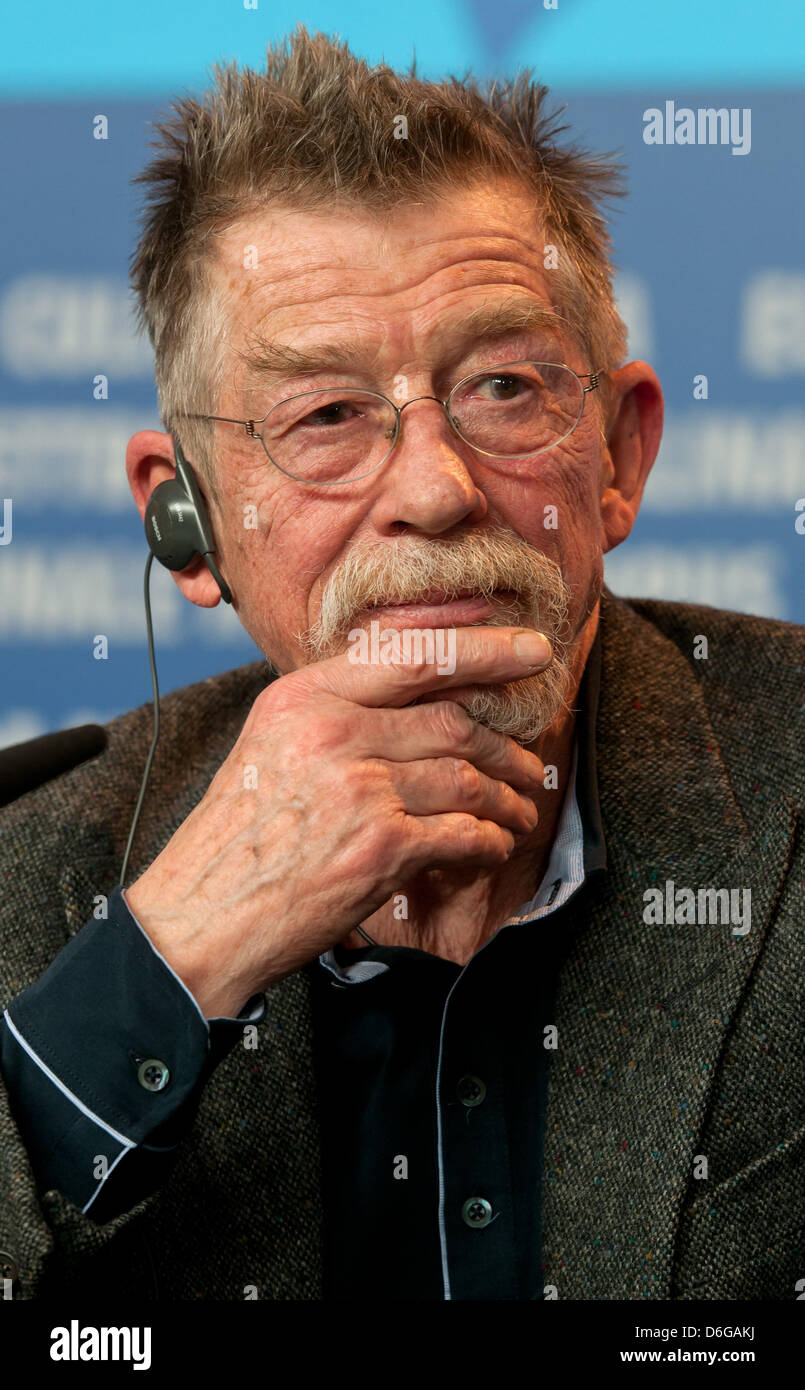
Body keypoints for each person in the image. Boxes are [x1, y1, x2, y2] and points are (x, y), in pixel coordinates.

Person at [1, 25, 802, 1302]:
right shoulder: (29, 877)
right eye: (323, 415)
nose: (432, 489)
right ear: (185, 514)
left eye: (502, 388)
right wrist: (168, 965)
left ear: (620, 456)